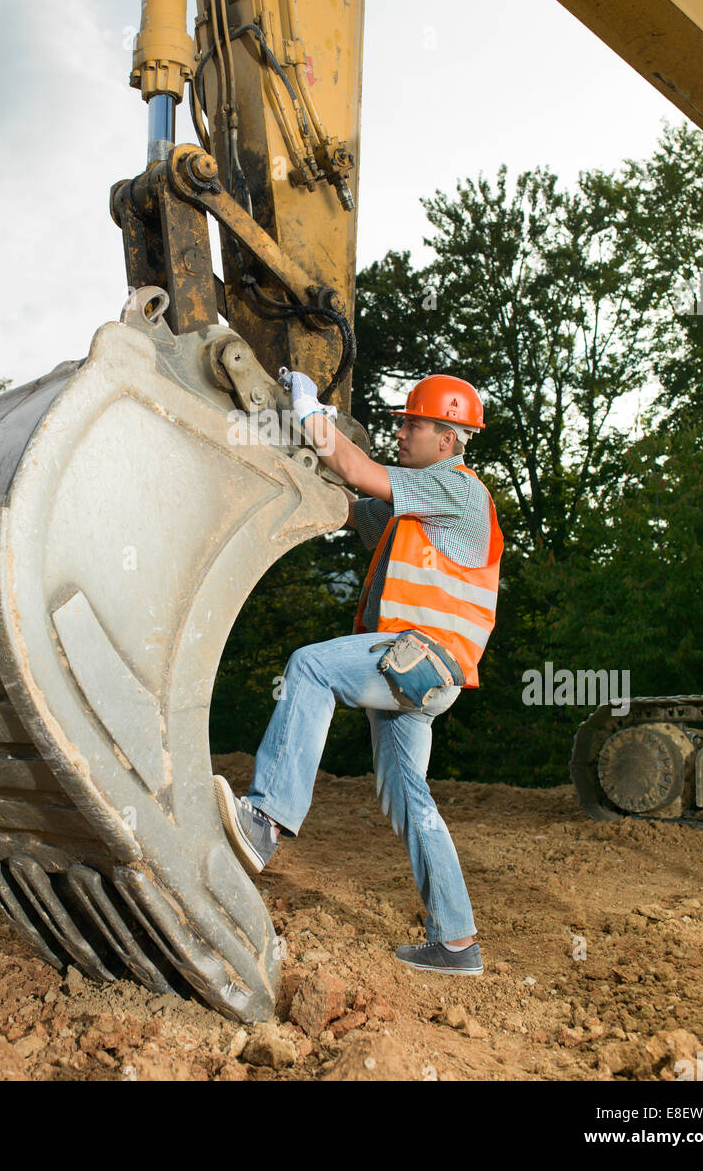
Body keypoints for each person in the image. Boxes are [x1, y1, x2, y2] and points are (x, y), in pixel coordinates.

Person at [214, 371, 503, 975]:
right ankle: (456, 943)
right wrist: (285, 465)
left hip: (423, 658)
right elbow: (348, 505)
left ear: (448, 441)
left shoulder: (459, 490)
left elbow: (357, 469)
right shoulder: (408, 512)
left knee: (311, 667)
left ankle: (265, 820)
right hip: (414, 671)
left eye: (412, 425)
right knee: (409, 797)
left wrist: (313, 412)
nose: (400, 432)